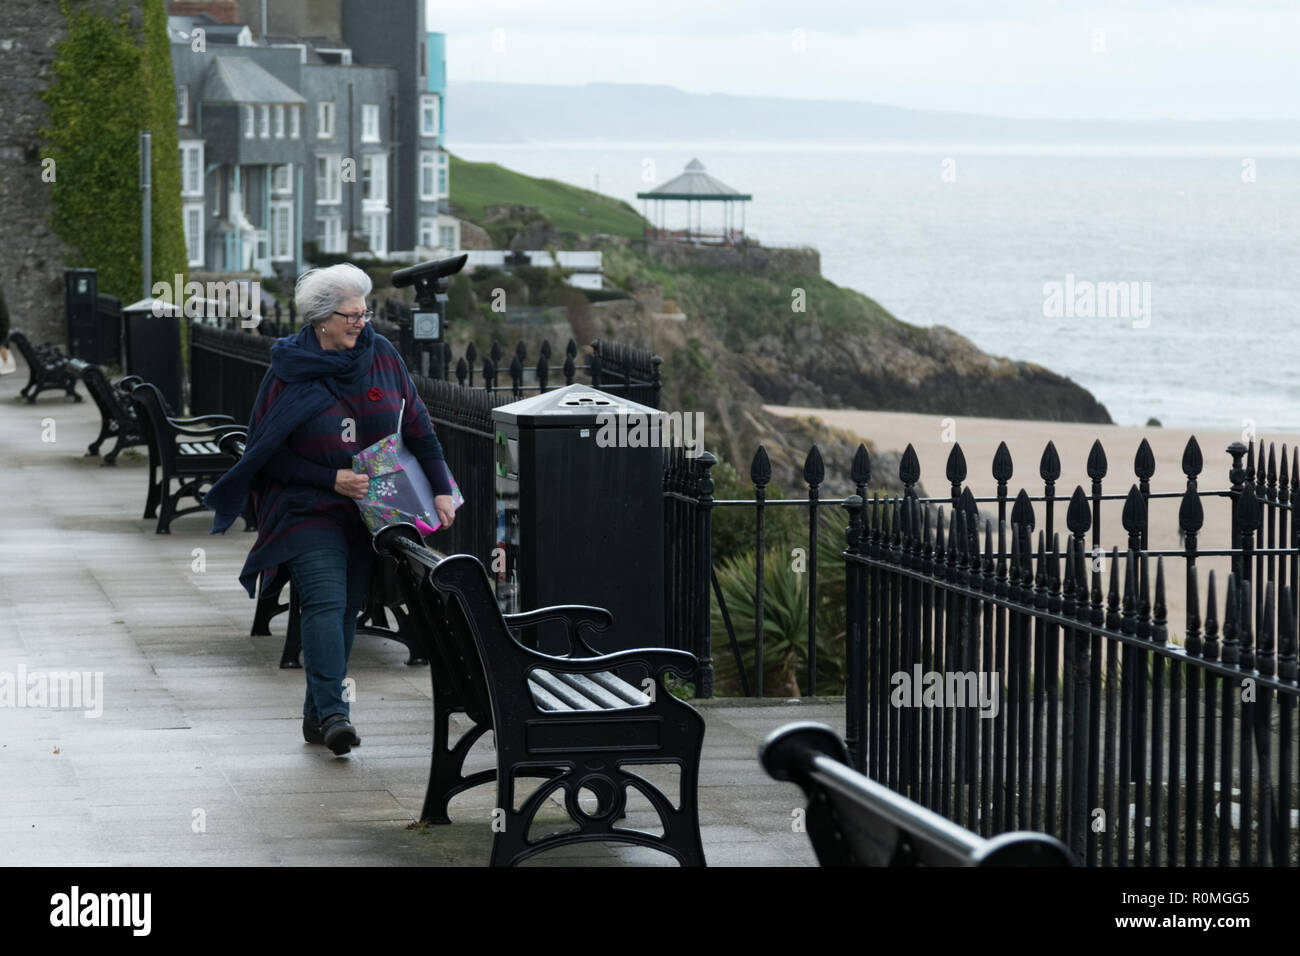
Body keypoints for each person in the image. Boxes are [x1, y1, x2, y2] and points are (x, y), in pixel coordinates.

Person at [205, 263, 455, 755]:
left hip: (369, 511)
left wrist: (441, 488)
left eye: (365, 313)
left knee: (345, 610)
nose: (362, 322)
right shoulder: (289, 367)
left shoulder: (382, 356)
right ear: (321, 318)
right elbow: (264, 450)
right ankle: (337, 713)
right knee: (322, 600)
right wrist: (329, 478)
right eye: (351, 315)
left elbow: (419, 429)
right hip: (305, 506)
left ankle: (314, 715)